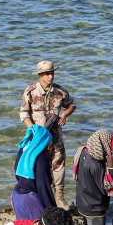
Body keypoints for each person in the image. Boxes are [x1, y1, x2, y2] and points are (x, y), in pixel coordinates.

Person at [19, 60, 76, 209]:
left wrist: (64, 115)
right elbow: (24, 113)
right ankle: (38, 197)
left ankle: (59, 198)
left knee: (58, 167)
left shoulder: (59, 91)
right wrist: (33, 129)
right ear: (40, 75)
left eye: (52, 73)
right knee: (38, 168)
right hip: (38, 139)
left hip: (55, 137)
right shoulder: (30, 91)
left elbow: (72, 104)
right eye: (47, 74)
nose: (51, 76)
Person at [11, 124, 55, 221]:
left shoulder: (23, 151)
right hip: (31, 201)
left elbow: (17, 175)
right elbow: (44, 188)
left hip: (17, 197)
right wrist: (53, 211)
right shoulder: (40, 159)